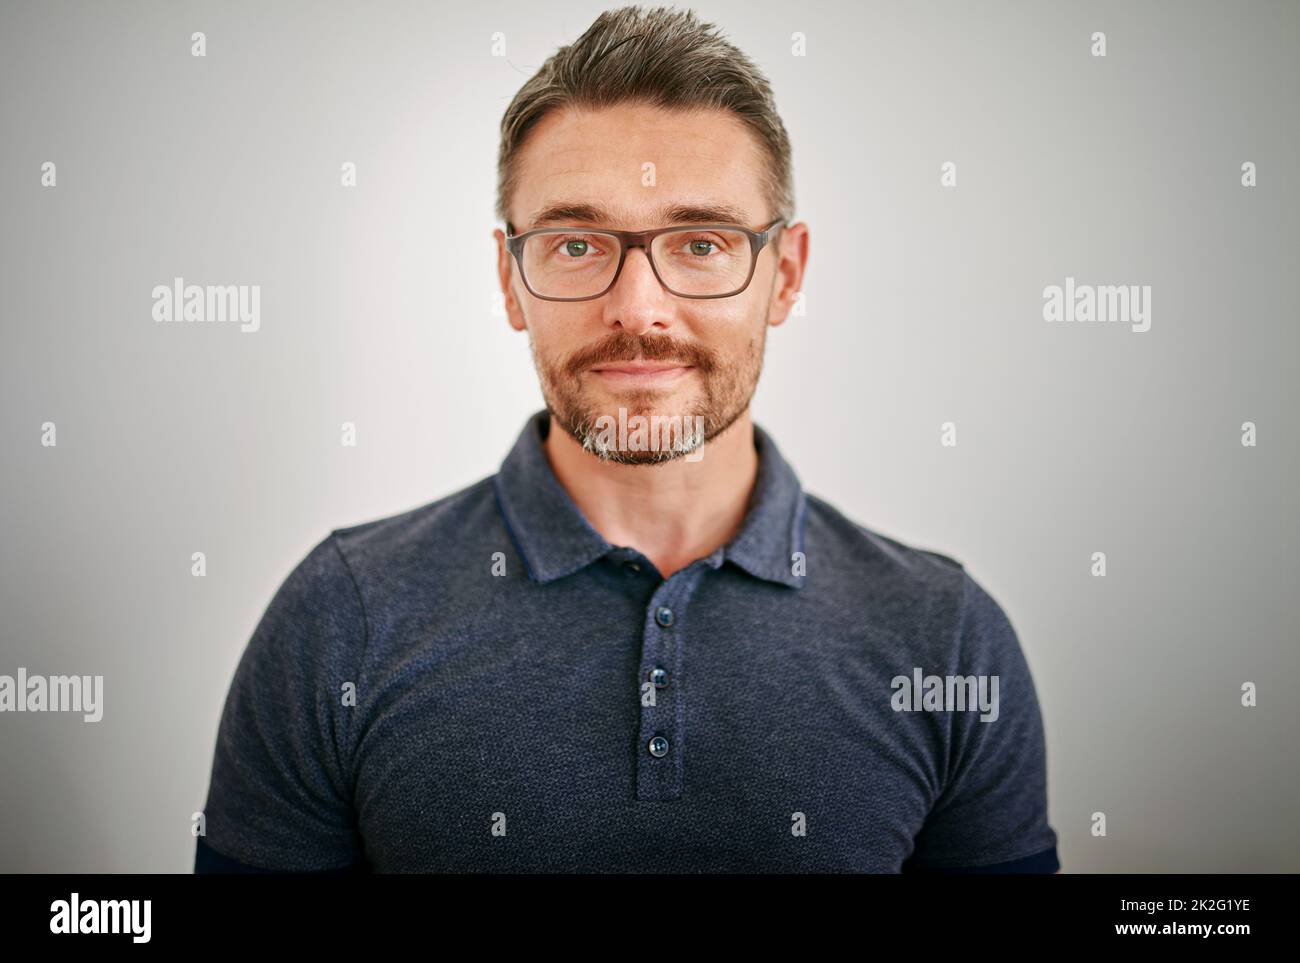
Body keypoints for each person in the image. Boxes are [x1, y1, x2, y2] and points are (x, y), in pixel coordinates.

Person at [196, 4, 1059, 873]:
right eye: (576, 242)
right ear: (509, 279)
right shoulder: (341, 619)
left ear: (784, 275)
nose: (638, 307)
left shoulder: (944, 638)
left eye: (700, 242)